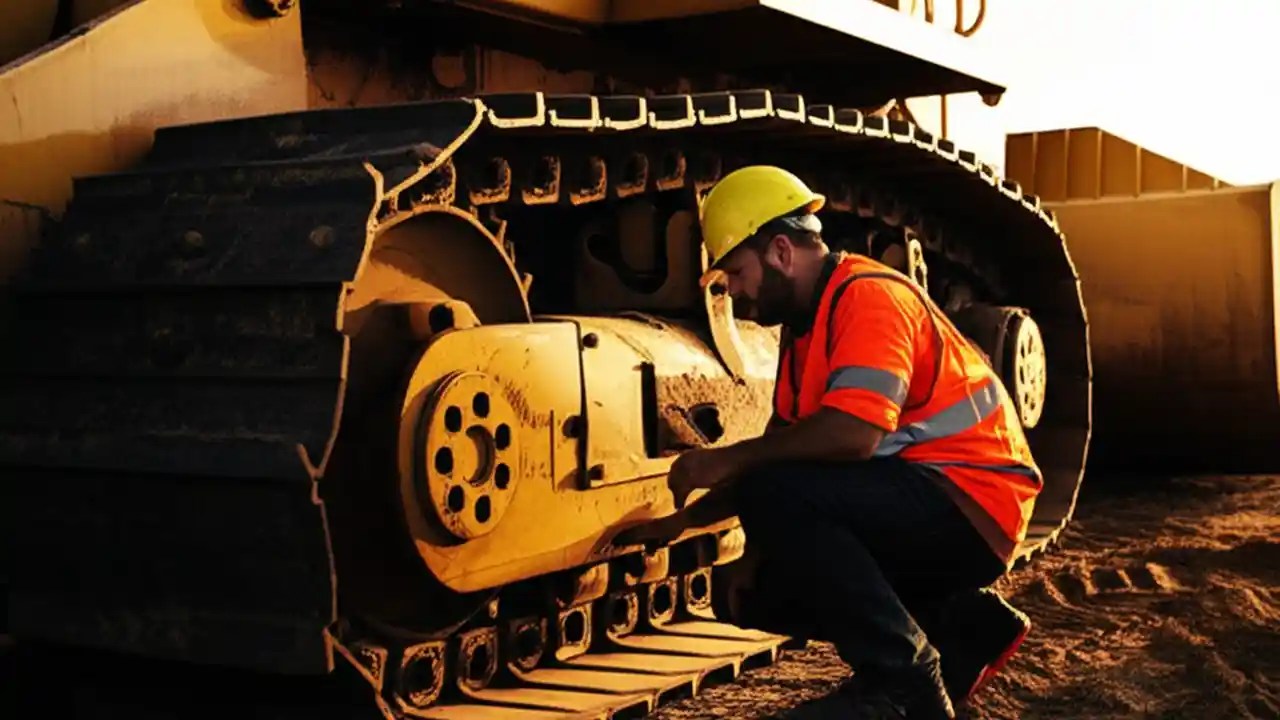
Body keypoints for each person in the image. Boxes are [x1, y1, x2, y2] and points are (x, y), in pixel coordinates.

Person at [613, 166, 1041, 719]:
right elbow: (786, 453)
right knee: (756, 589)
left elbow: (853, 436)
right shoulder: (803, 329)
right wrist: (685, 523)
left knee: (775, 495)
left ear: (782, 251)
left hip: (974, 500)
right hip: (928, 502)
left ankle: (903, 680)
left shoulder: (869, 298)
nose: (735, 293)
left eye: (737, 273)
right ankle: (964, 623)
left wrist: (718, 462)